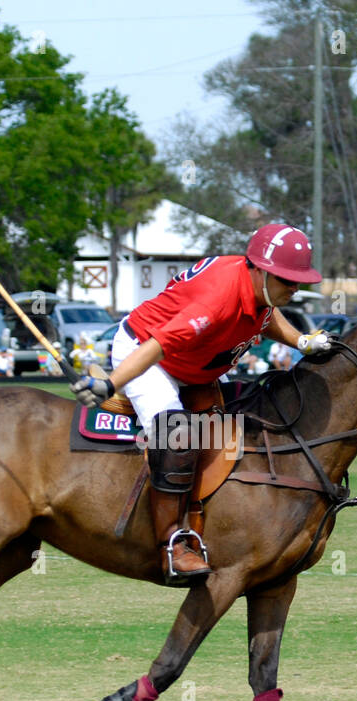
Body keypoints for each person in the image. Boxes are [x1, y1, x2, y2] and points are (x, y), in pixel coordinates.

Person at [70, 222, 330, 584]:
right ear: (259, 269)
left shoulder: (259, 290)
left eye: (297, 279)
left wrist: (301, 341)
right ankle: (172, 544)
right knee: (177, 435)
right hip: (150, 355)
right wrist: (111, 382)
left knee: (247, 410)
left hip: (195, 364)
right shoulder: (216, 301)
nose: (295, 286)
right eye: (287, 279)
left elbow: (266, 318)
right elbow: (158, 346)